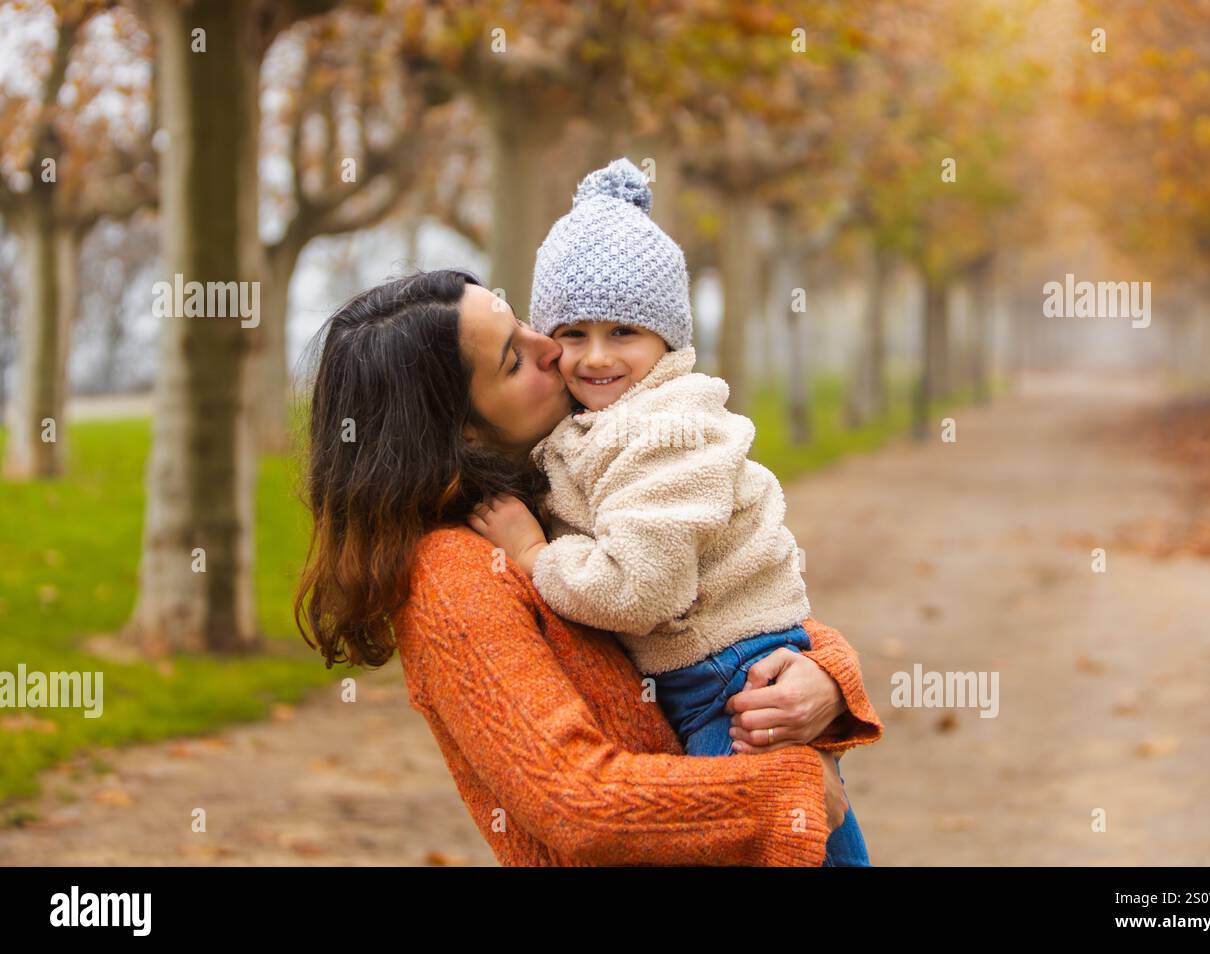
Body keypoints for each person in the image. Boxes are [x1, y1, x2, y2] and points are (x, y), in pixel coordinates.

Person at [295, 267, 884, 865]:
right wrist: (792, 790)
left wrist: (828, 676)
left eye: (522, 323)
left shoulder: (561, 496)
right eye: (513, 360)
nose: (552, 347)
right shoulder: (455, 578)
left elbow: (714, 608)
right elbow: (578, 801)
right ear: (462, 434)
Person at [470, 159, 874, 865]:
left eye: (625, 331)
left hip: (732, 685)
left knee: (786, 846)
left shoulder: (664, 427)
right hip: (712, 676)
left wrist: (535, 556)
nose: (595, 357)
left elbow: (642, 586)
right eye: (573, 332)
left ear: (669, 342)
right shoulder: (598, 424)